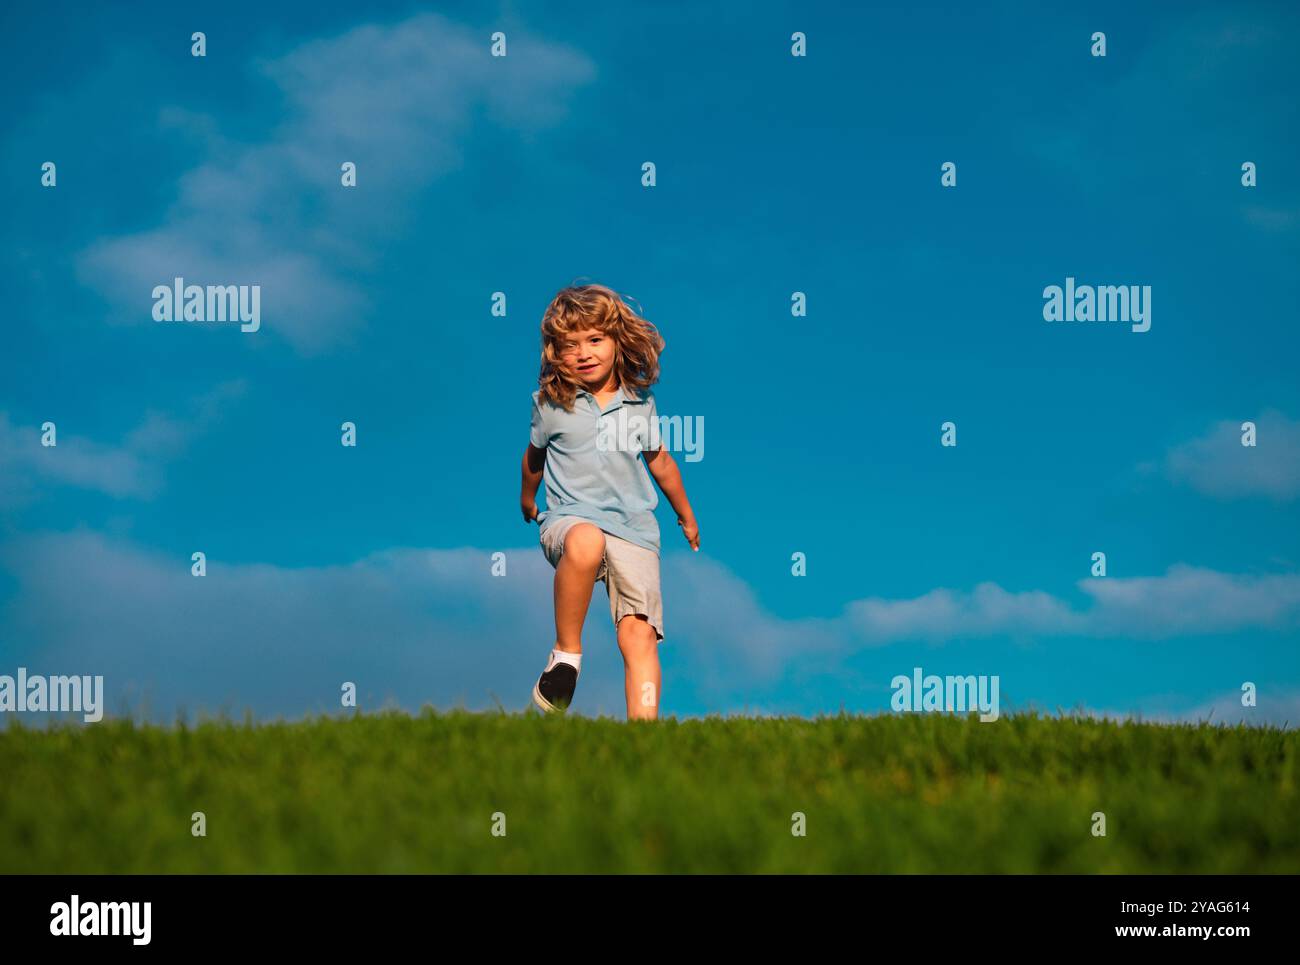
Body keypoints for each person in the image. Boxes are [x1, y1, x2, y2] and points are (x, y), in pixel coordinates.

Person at [520, 283, 700, 720]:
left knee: (639, 637)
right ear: (555, 354)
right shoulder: (551, 405)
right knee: (586, 542)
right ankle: (565, 657)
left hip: (635, 529)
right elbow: (533, 458)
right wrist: (528, 499)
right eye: (570, 345)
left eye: (595, 340)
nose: (583, 353)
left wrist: (686, 515)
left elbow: (661, 463)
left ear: (618, 341)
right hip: (570, 517)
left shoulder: (640, 405)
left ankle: (643, 739)